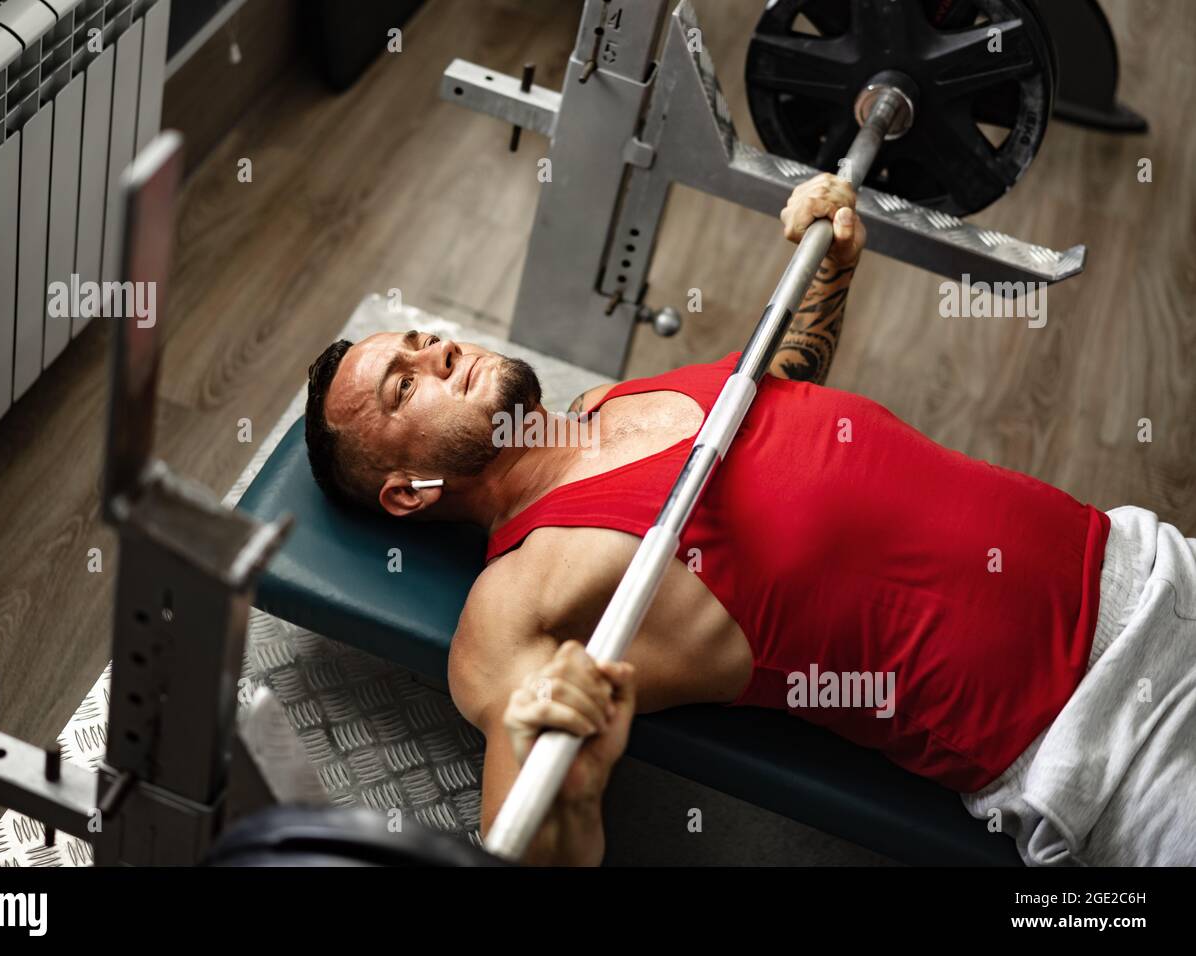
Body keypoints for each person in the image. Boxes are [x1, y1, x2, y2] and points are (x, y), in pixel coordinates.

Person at [303, 174, 1196, 866]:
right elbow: (530, 838)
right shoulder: (513, 599)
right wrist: (560, 772)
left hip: (1146, 559)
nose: (439, 349)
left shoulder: (616, 401)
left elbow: (783, 387)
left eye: (422, 339)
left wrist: (831, 269)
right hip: (1106, 742)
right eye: (405, 383)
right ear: (409, 490)